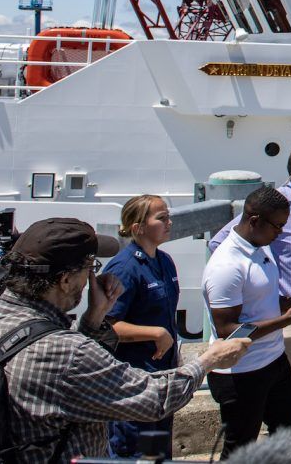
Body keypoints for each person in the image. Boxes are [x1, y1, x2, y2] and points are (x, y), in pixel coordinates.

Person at [0, 217, 249, 462]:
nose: (92, 278)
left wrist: (94, 318)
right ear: (66, 280)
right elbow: (154, 399)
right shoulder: (67, 352)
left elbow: (59, 380)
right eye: (89, 268)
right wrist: (208, 361)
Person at [210, 141, 291, 426]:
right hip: (284, 319)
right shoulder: (275, 205)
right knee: (274, 403)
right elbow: (221, 243)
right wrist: (263, 293)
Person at [203, 186, 291, 456]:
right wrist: (286, 320)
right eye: (277, 226)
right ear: (255, 221)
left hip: (273, 361)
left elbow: (262, 301)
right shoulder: (227, 266)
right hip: (241, 373)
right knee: (240, 449)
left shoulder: (261, 248)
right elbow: (228, 332)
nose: (280, 233)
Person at [103, 194, 180, 458]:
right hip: (135, 382)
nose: (169, 222)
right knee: (135, 454)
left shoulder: (164, 261)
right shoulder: (124, 267)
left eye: (168, 216)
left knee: (159, 453)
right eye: (161, 218)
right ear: (138, 227)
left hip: (162, 379)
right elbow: (106, 326)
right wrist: (155, 333)